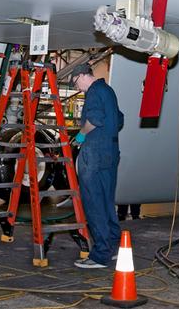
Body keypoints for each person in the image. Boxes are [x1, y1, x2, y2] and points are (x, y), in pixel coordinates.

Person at [72, 63, 124, 270]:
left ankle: (100, 255)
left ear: (83, 75)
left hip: (94, 155)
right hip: (110, 153)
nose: (78, 88)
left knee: (94, 204)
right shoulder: (108, 90)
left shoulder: (93, 92)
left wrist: (82, 134)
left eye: (76, 83)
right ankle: (112, 247)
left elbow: (94, 120)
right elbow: (119, 119)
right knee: (107, 202)